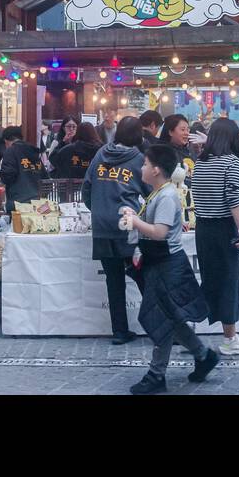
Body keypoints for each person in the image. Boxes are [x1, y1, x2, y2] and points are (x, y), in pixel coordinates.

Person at [123, 143, 221, 395]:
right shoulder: (158, 193)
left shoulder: (166, 196)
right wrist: (134, 215)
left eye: (145, 163)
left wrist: (135, 221)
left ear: (156, 170)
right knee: (171, 317)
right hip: (160, 263)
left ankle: (156, 374)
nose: (141, 167)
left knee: (162, 319)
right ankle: (203, 354)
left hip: (167, 265)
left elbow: (160, 233)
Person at [190, 117, 239, 355]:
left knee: (209, 281)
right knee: (228, 283)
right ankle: (230, 338)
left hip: (203, 228)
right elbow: (233, 198)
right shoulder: (232, 162)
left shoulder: (201, 162)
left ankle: (185, 328)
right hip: (224, 227)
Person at [81, 116, 147, 344]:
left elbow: (86, 188)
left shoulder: (100, 154)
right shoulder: (138, 159)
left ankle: (119, 331)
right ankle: (165, 329)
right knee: (143, 277)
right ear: (138, 135)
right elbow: (150, 191)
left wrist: (99, 209)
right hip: (128, 226)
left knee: (114, 280)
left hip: (101, 227)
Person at [0, 125, 46, 207]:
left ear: (6, 140)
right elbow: (45, 177)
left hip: (19, 203)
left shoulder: (11, 151)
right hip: (38, 202)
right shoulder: (34, 151)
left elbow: (7, 175)